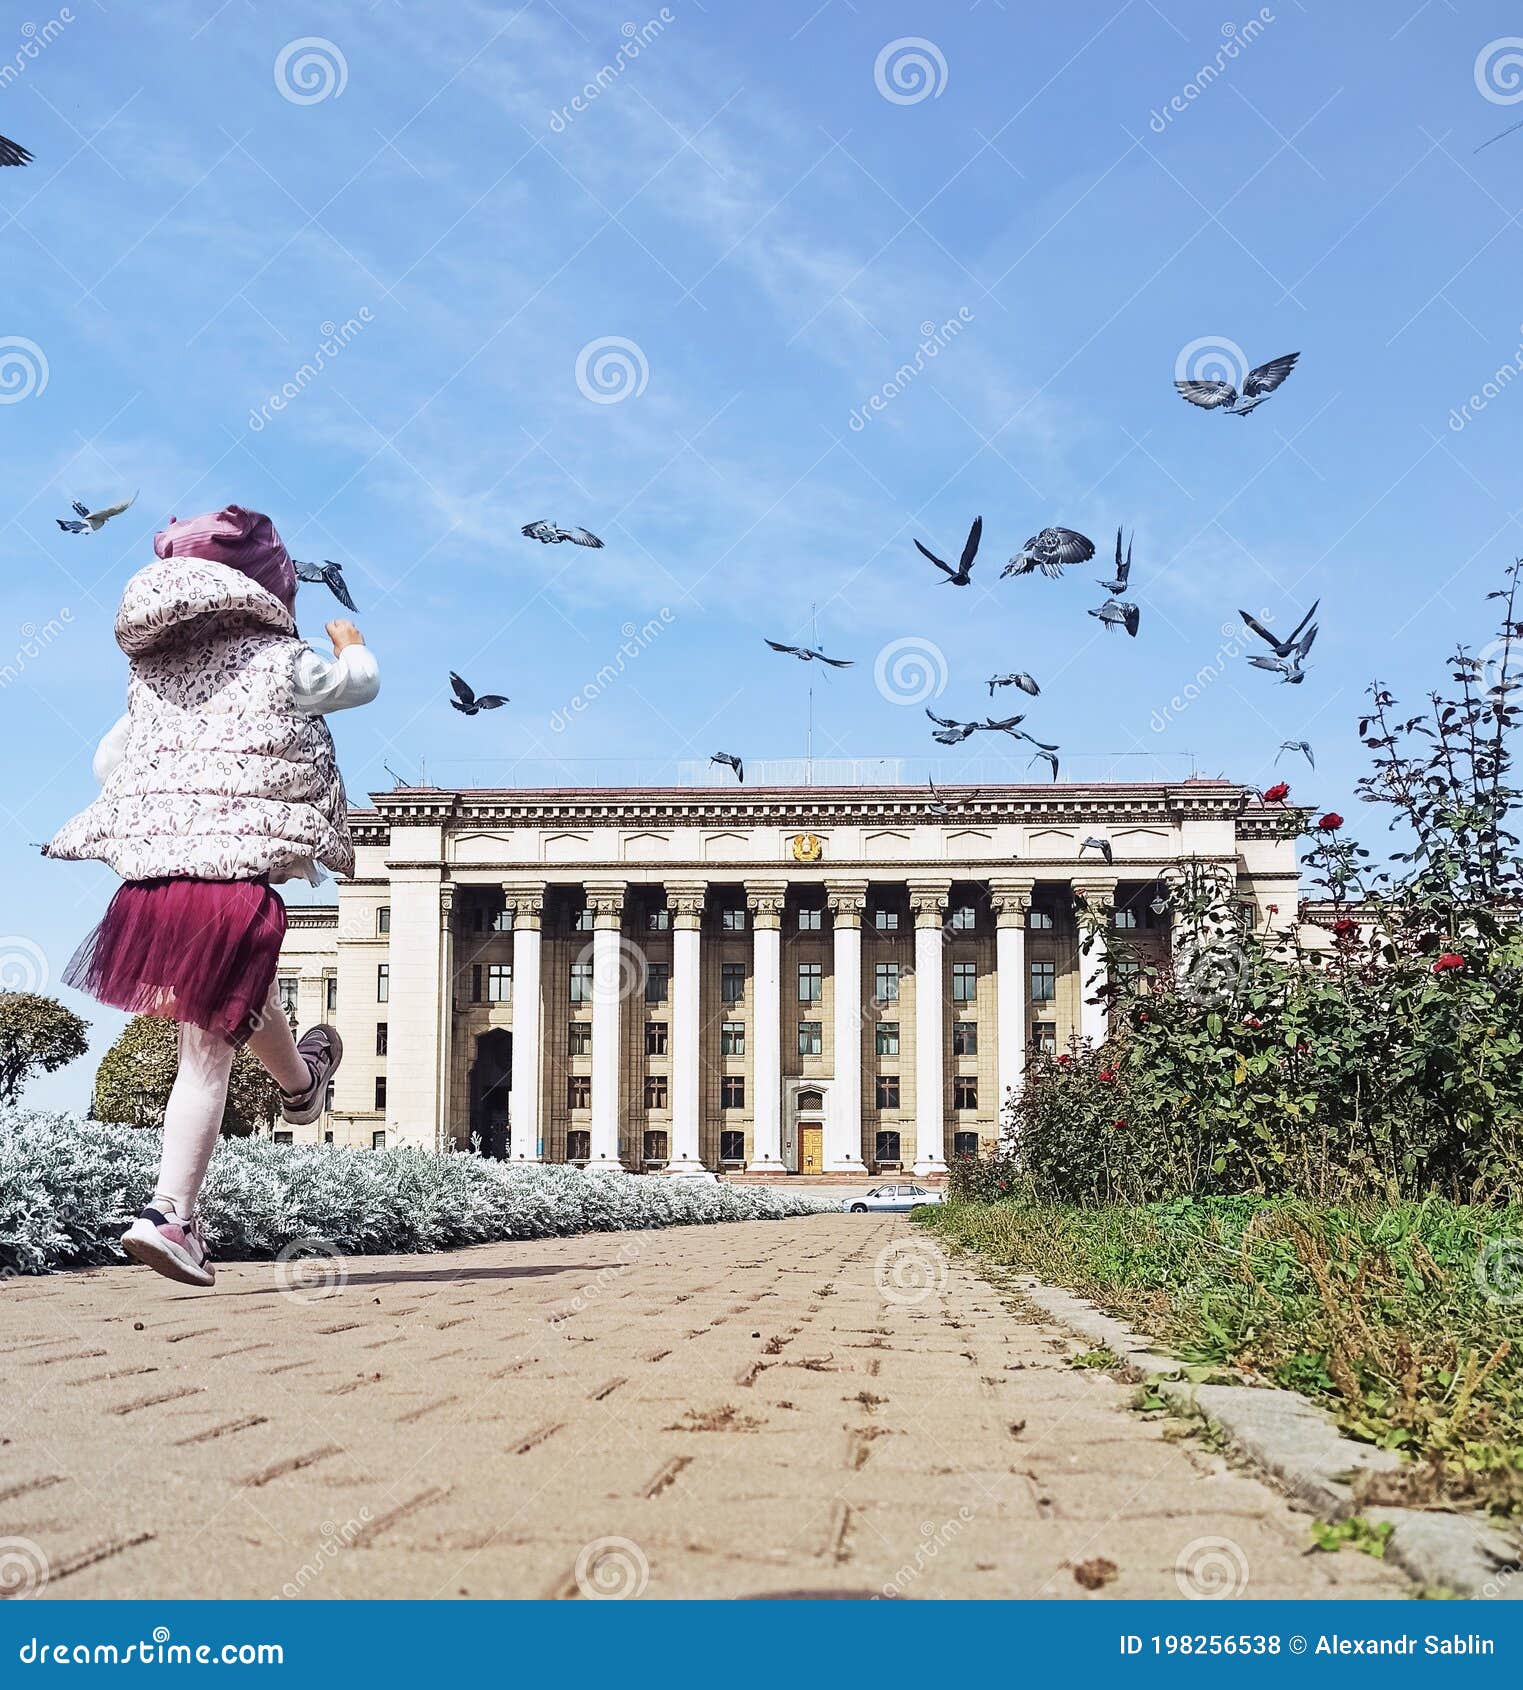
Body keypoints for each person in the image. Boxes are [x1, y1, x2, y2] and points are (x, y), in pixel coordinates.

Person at [45, 506, 379, 1288]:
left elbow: (107, 766)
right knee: (204, 1056)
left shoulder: (151, 680)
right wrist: (352, 645)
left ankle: (303, 1085)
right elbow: (358, 686)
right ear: (271, 587)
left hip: (154, 888)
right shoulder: (280, 658)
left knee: (230, 1008)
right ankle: (171, 1215)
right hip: (234, 886)